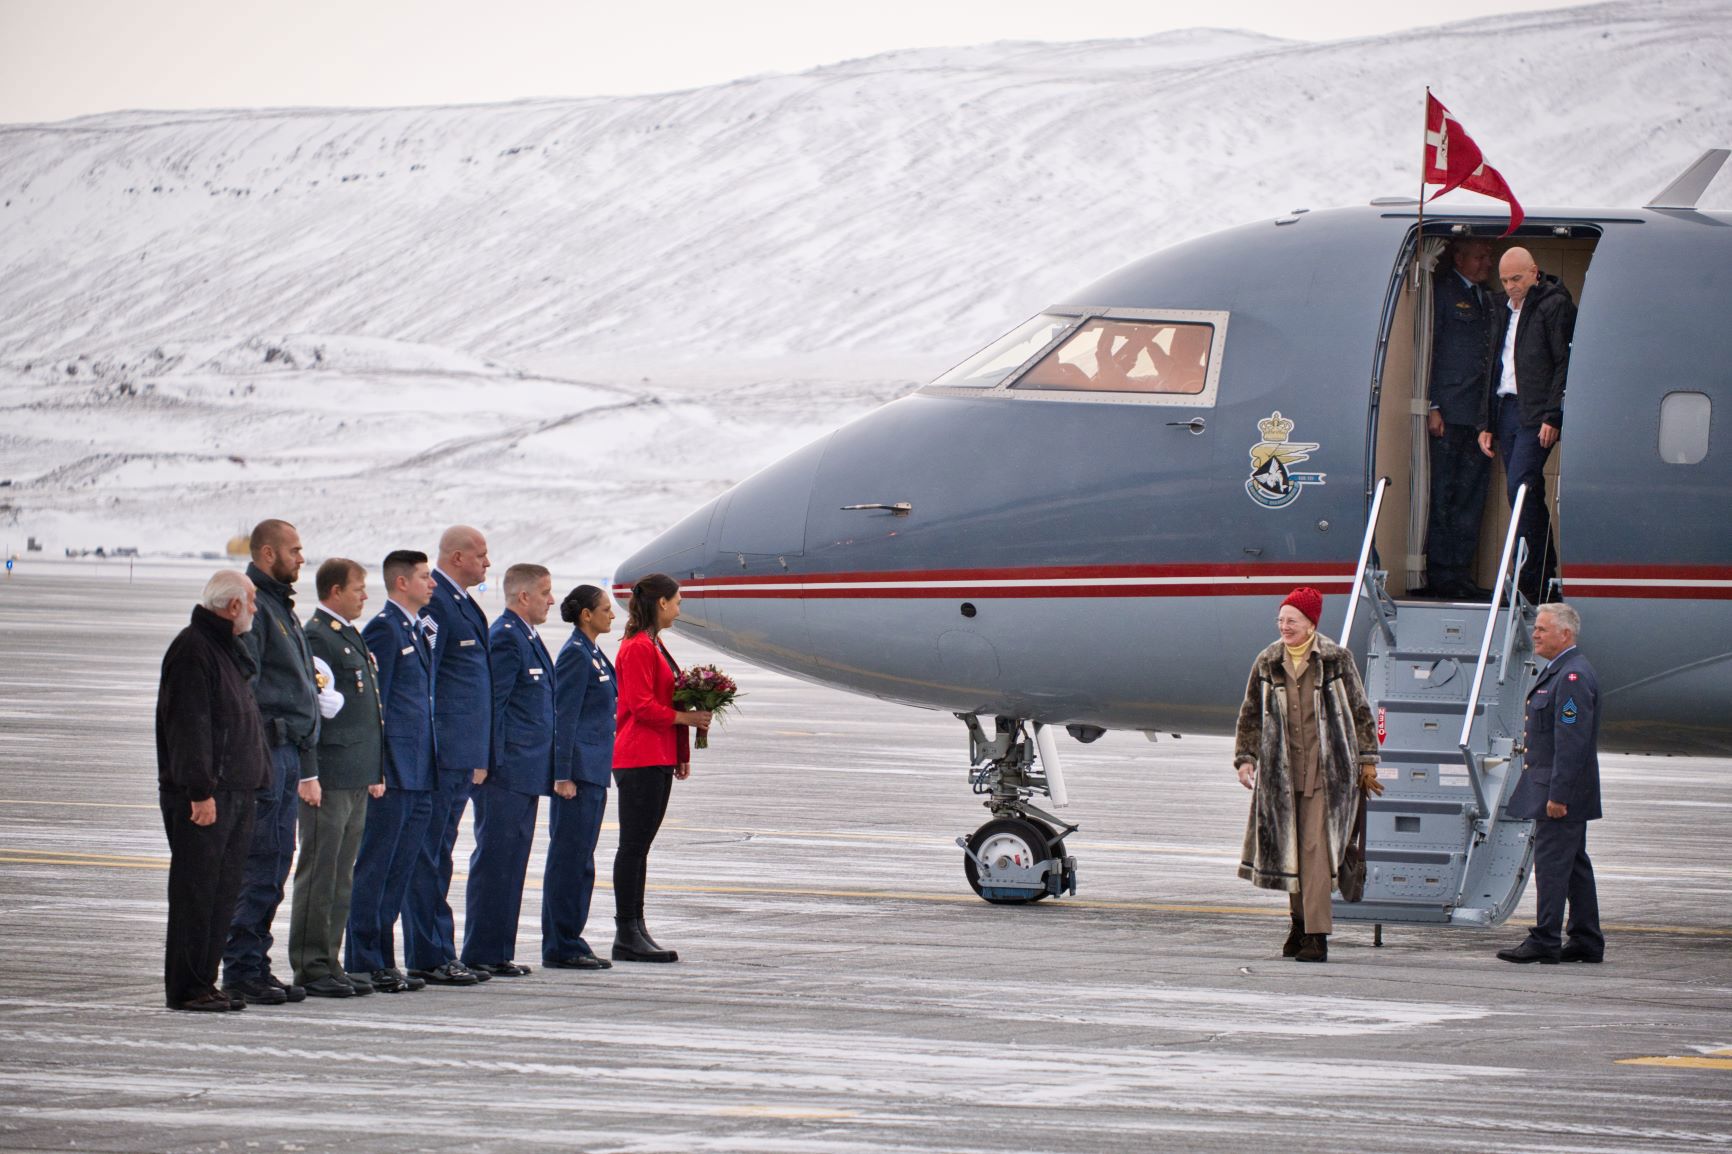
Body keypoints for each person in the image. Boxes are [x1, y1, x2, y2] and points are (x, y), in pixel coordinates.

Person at [1233, 586, 1381, 963]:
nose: (1285, 626)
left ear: (1311, 623)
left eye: (1292, 621)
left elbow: (1361, 711)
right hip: (1280, 777)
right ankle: (1298, 924)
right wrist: (1245, 758)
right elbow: (1250, 713)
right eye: (1281, 620)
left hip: (1327, 774)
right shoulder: (1267, 661)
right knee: (1291, 852)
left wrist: (1367, 760)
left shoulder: (1335, 659)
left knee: (1315, 853)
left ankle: (1317, 935)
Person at [157, 571, 272, 1011]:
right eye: (253, 602)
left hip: (237, 792)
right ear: (233, 606)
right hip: (206, 797)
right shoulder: (193, 650)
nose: (256, 610)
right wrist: (198, 791)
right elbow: (188, 728)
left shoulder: (224, 648)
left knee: (221, 894)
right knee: (196, 894)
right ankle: (187, 988)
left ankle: (204, 983)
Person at [224, 518, 318, 1006]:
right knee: (260, 862)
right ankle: (241, 968)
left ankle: (254, 963)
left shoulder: (280, 605)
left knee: (276, 861)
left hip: (286, 752)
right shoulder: (257, 607)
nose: (302, 558)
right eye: (295, 550)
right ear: (267, 554)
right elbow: (245, 683)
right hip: (266, 753)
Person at [288, 558, 386, 998]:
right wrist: (309, 773)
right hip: (328, 776)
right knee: (320, 873)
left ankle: (330, 959)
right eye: (358, 588)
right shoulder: (318, 637)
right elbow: (314, 710)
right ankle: (310, 966)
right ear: (333, 591)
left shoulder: (346, 634)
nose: (365, 595)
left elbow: (369, 712)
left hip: (354, 774)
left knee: (341, 875)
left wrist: (373, 769)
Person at [346, 551, 438, 994]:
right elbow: (374, 705)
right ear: (402, 583)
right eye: (424, 577)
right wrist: (376, 767)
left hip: (419, 770)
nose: (431, 583)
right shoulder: (385, 628)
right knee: (376, 868)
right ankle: (364, 959)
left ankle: (383, 958)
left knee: (398, 870)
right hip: (395, 771)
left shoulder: (414, 629)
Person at [406, 525, 493, 987]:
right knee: (429, 855)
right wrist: (436, 750)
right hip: (443, 755)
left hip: (462, 754)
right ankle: (428, 954)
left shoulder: (460, 601)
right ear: (457, 557)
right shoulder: (436, 604)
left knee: (441, 853)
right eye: (481, 555)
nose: (487, 563)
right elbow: (429, 679)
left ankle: (441, 949)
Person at [460, 564, 557, 977]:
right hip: (505, 774)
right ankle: (482, 950)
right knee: (496, 861)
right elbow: (492, 705)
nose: (551, 600)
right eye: (545, 593)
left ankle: (498, 950)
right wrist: (485, 761)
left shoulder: (526, 637)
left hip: (526, 772)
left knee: (513, 864)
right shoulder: (505, 638)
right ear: (523, 597)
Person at [611, 573, 711, 963]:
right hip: (639, 755)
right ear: (662, 604)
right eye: (677, 601)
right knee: (633, 848)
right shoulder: (637, 648)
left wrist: (681, 750)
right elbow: (641, 706)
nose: (680, 607)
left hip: (658, 755)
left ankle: (636, 927)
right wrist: (685, 723)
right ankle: (626, 930)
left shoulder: (655, 644)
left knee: (640, 848)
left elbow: (671, 700)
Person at [1497, 603, 1603, 964]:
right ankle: (1586, 938)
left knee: (1553, 864)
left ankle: (1545, 939)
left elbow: (1571, 743)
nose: (1535, 634)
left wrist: (1558, 796)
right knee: (1573, 864)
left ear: (1565, 634)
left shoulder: (1571, 677)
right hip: (1560, 788)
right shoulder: (1562, 671)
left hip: (1560, 792)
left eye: (1542, 629)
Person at [1477, 246, 1576, 604]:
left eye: (1516, 278)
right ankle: (1540, 571)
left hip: (1535, 411)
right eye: (1504, 281)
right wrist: (1486, 421)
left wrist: (1554, 414)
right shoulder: (1502, 310)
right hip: (1506, 407)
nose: (1511, 287)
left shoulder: (1553, 304)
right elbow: (1494, 367)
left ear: (1534, 272)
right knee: (1522, 491)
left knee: (1521, 485)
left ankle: (1532, 578)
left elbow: (1563, 362)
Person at [542, 584, 618, 970]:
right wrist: (562, 774)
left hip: (595, 771)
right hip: (578, 776)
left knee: (582, 859)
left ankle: (571, 937)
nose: (612, 615)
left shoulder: (593, 654)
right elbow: (564, 717)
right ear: (586, 615)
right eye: (605, 609)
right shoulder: (574, 655)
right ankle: (560, 943)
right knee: (569, 859)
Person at [1424, 238, 1496, 600]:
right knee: (1444, 497)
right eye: (1480, 256)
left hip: (1478, 416)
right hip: (1449, 411)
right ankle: (1440, 575)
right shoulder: (1442, 292)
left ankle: (1460, 574)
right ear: (1459, 257)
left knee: (1470, 498)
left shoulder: (1488, 297)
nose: (1487, 263)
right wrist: (1432, 403)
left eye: (1489, 256)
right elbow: (1429, 348)